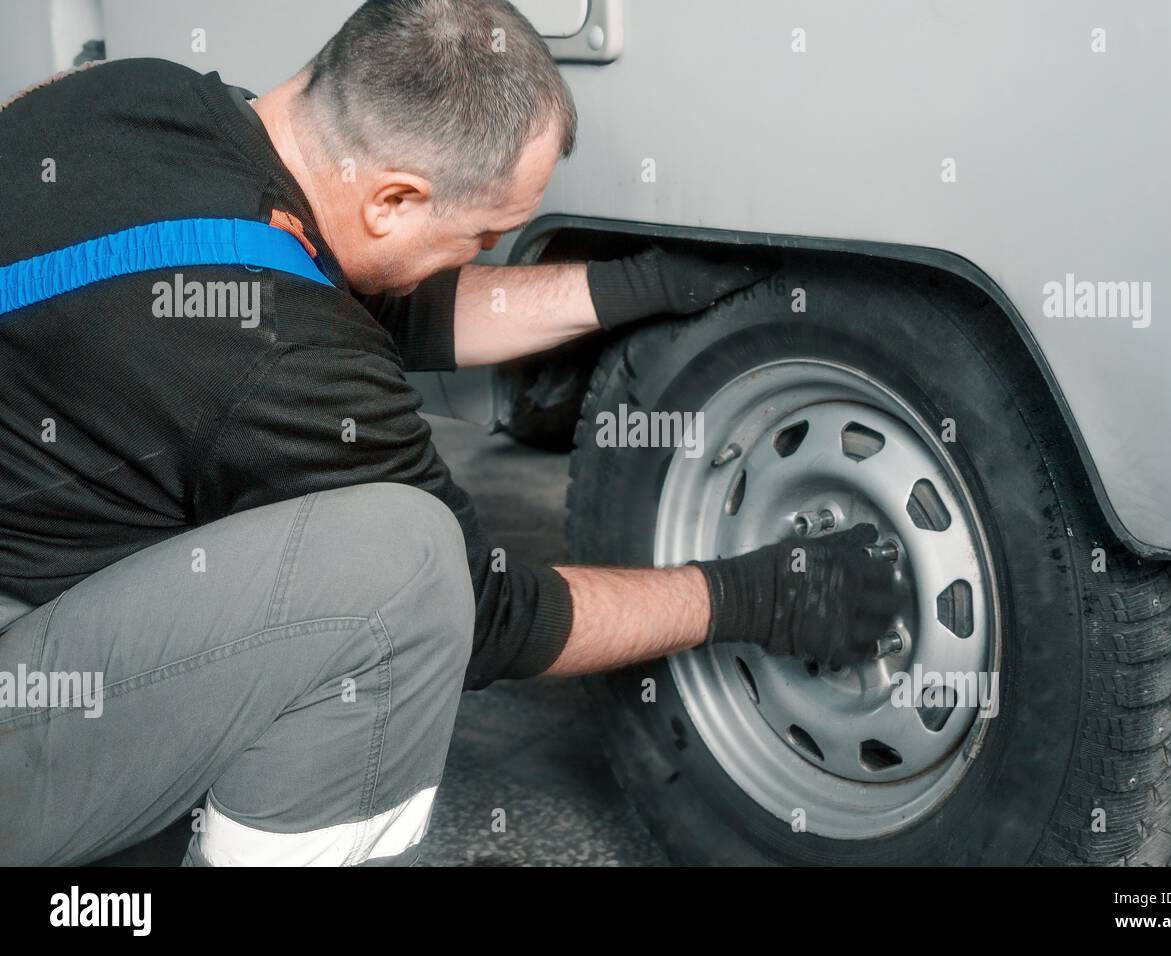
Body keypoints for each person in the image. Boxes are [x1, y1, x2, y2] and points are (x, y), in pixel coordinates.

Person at [0, 0, 901, 866]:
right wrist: (758, 597)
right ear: (392, 200)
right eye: (480, 238)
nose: (479, 257)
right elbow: (490, 617)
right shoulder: (281, 355)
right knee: (405, 572)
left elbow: (313, 289)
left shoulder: (130, 98)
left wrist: (636, 285)